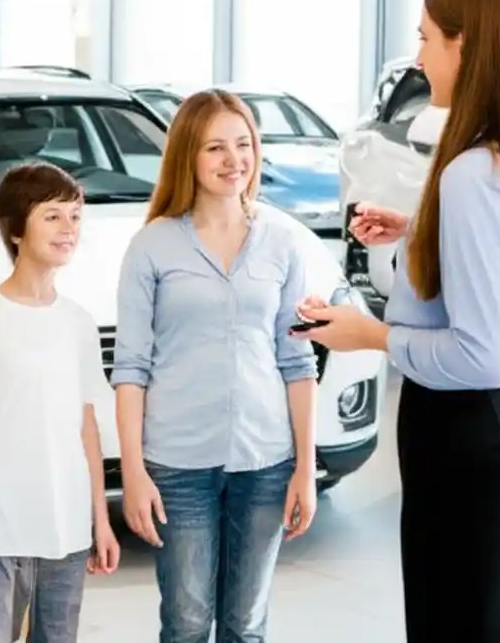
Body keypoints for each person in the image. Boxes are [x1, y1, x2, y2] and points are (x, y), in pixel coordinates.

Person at [293, 0, 500, 643]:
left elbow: (482, 356)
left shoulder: (473, 174)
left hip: (470, 460)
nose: (419, 58)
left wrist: (368, 334)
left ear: (466, 44)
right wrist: (423, 231)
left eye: (426, 38)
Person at [112, 90, 320, 642]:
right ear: (188, 155)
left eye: (243, 144)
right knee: (186, 623)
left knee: (246, 624)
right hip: (177, 462)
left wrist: (305, 467)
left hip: (265, 459)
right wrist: (132, 472)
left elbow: (297, 360)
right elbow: (131, 369)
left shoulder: (282, 241)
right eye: (215, 148)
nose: (234, 160)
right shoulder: (152, 246)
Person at [0, 162, 121, 643]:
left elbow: (86, 425)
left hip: (65, 519)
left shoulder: (78, 322)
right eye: (52, 216)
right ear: (16, 230)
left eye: (75, 216)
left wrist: (100, 519)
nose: (68, 228)